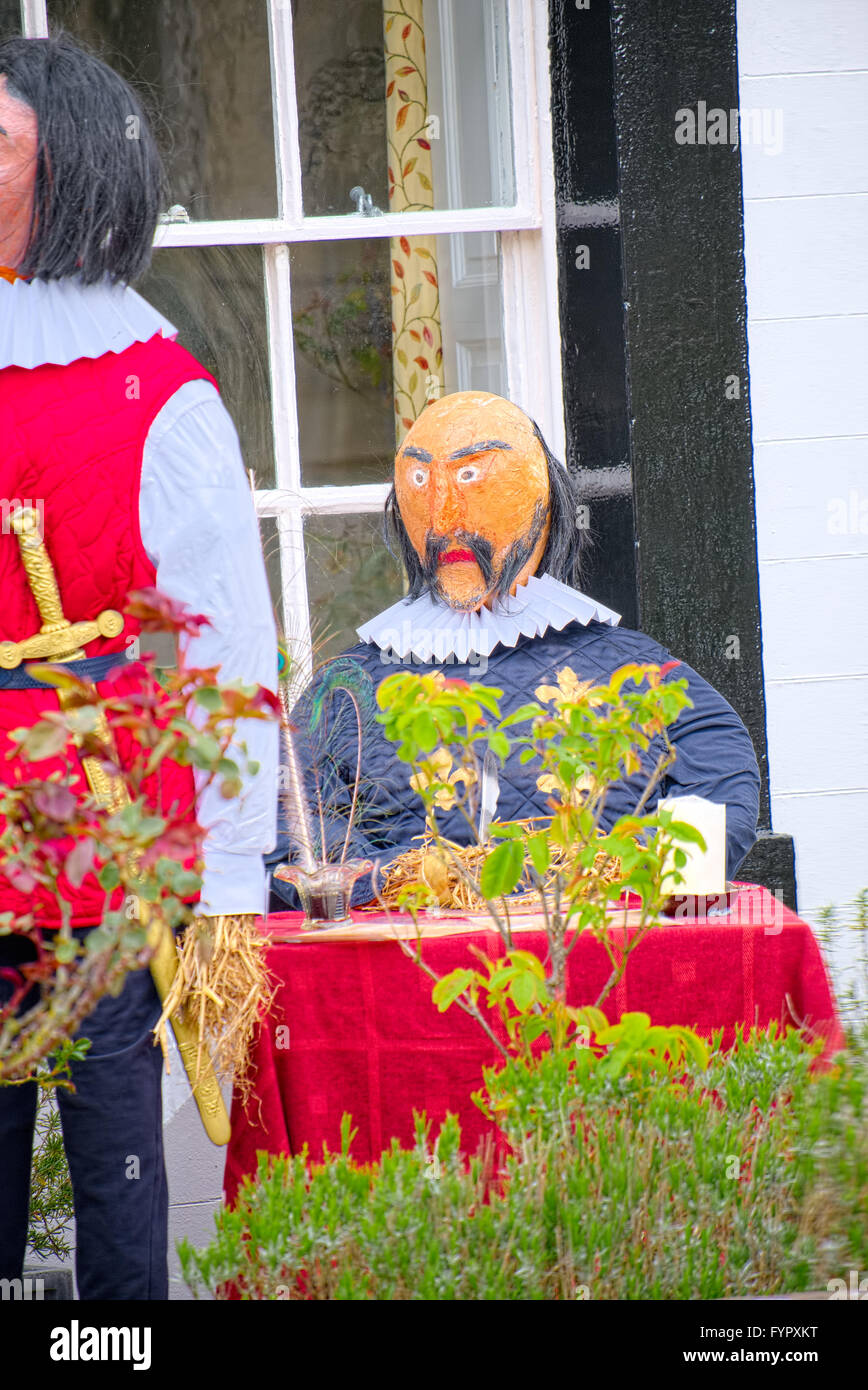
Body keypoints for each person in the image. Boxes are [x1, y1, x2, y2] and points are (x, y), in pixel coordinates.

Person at [0, 34, 277, 1299]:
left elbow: (222, 644)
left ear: (63, 174)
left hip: (106, 857)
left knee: (116, 1182)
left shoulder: (155, 394)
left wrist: (226, 877)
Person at [269, 390, 760, 906]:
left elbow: (718, 791)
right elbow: (292, 820)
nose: (444, 518)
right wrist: (393, 882)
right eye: (419, 480)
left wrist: (616, 870)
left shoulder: (640, 673)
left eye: (470, 476)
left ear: (541, 498)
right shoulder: (346, 687)